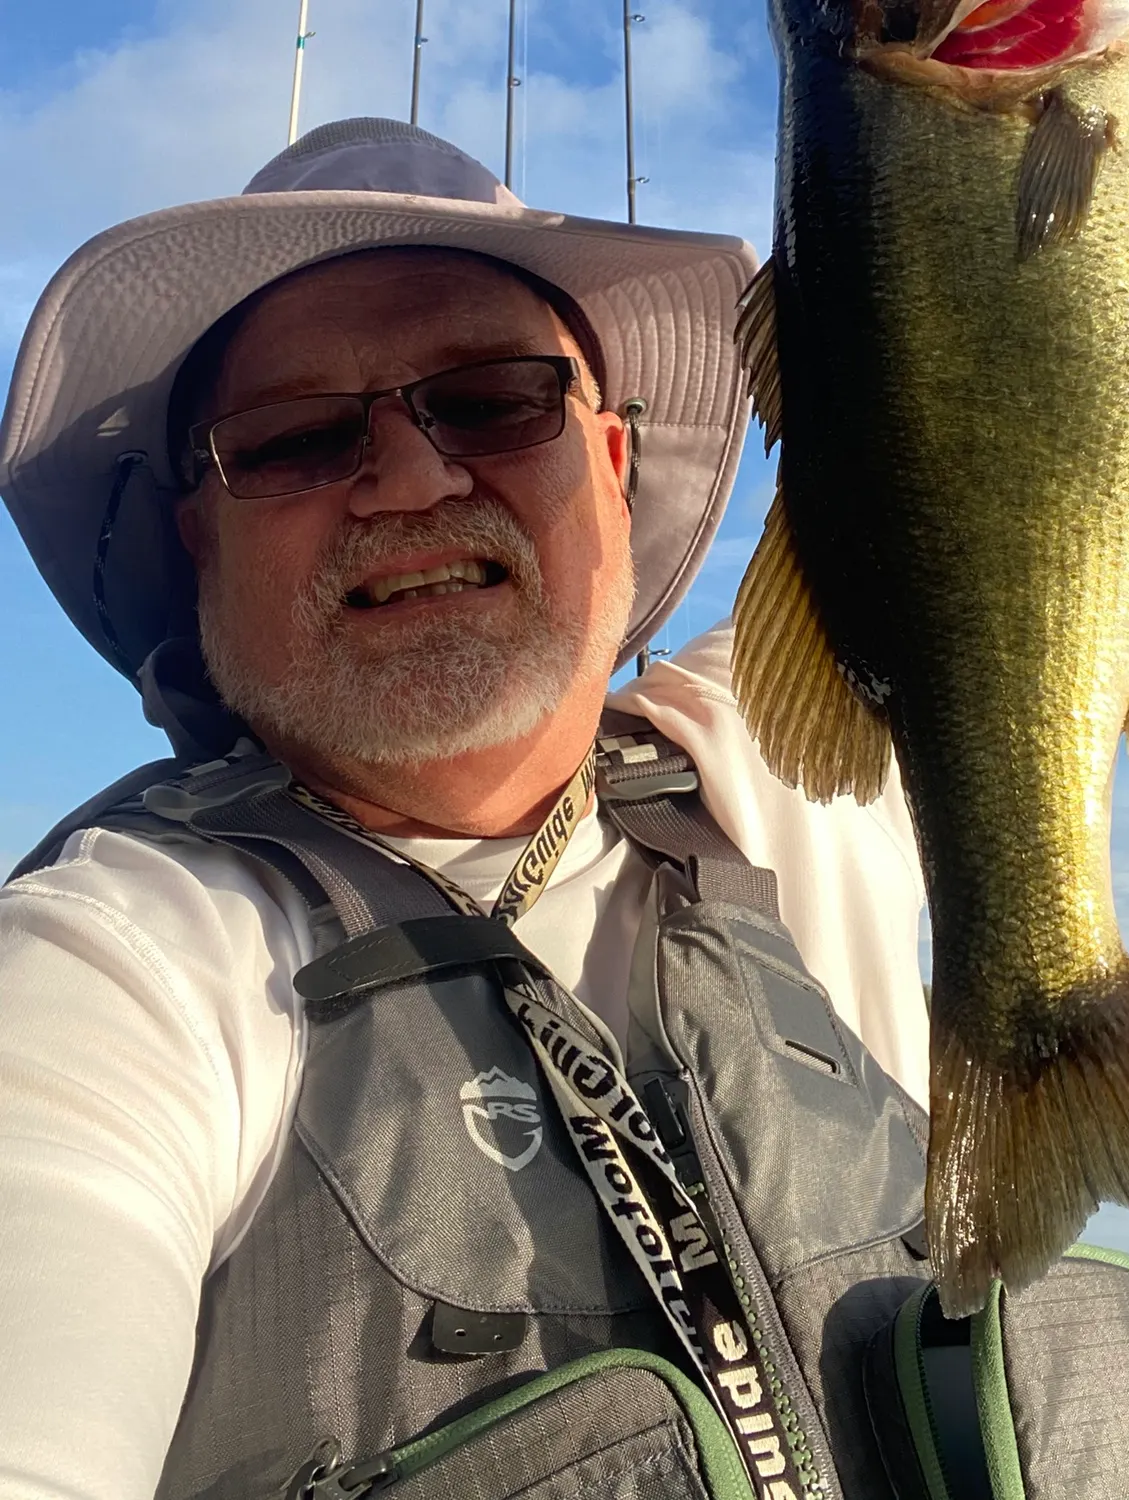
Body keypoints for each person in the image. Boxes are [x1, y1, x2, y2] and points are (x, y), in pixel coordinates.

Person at [0, 118, 930, 1500]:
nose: (411, 479)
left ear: (614, 467)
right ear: (202, 539)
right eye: (296, 439)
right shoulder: (119, 963)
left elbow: (1039, 398)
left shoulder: (798, 745)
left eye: (496, 401)